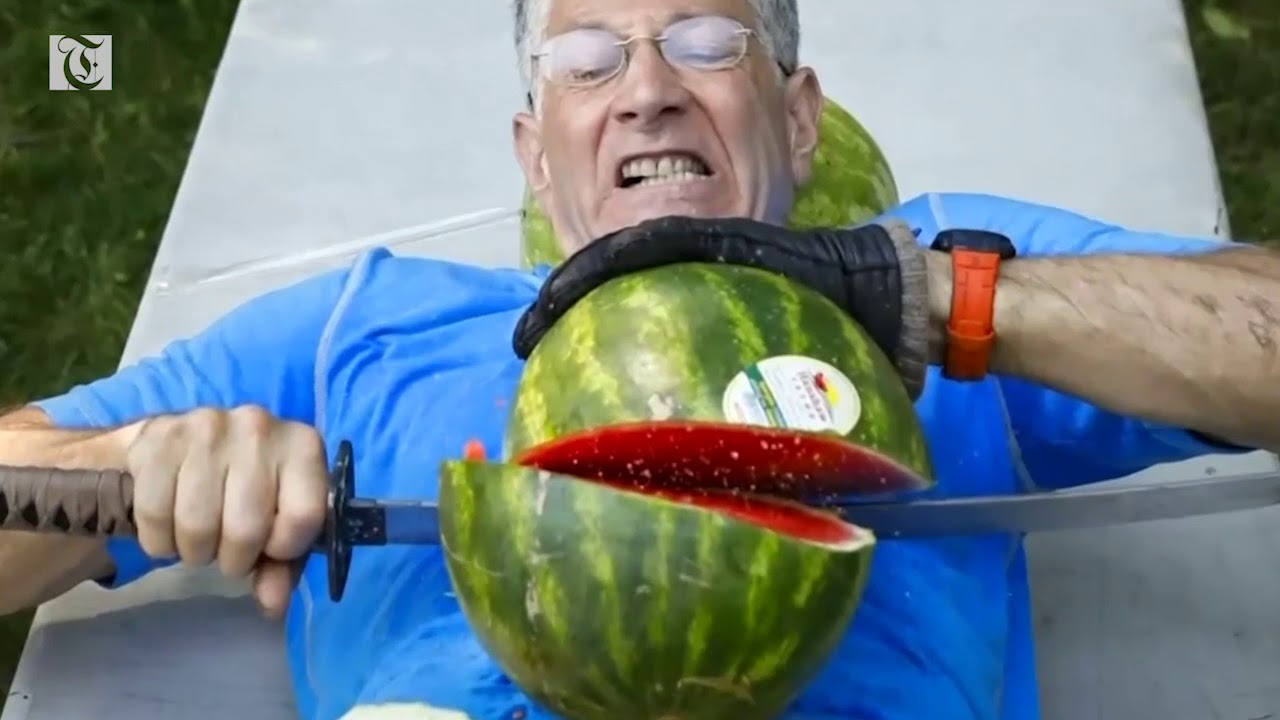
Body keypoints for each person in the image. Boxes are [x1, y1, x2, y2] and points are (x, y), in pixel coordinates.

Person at [1, 0, 1278, 717]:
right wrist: (129, 468)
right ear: (532, 147)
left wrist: (936, 296)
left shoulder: (949, 280)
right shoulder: (366, 324)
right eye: (585, 56)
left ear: (797, 113)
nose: (647, 86)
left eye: (708, 39)